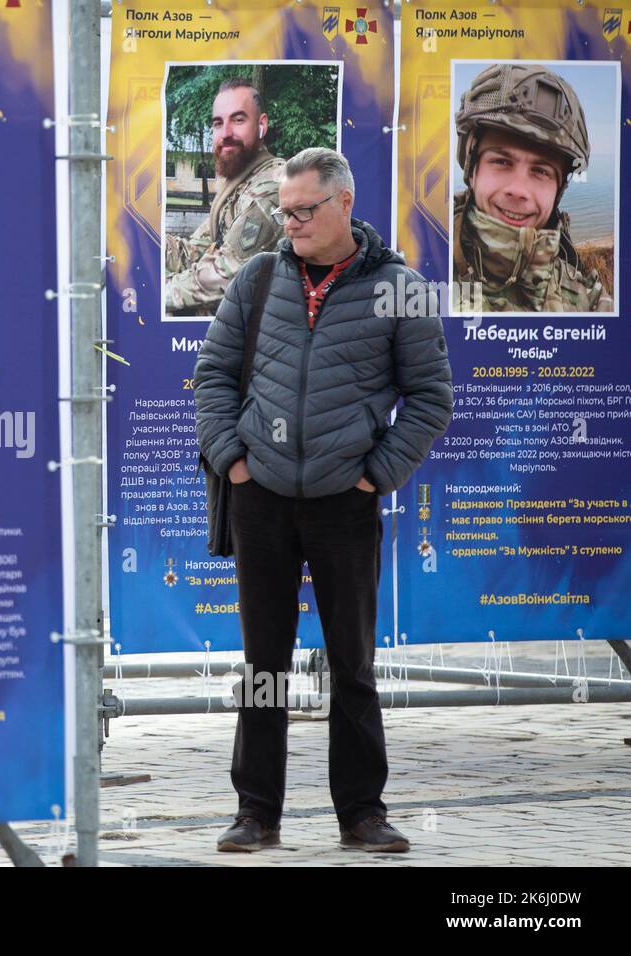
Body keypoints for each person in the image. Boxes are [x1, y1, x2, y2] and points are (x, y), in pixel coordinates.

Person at [193, 148, 453, 853]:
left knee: (353, 663)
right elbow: (212, 374)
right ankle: (256, 813)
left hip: (346, 501)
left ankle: (362, 814)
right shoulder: (257, 277)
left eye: (305, 210)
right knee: (262, 666)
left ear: (345, 204)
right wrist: (234, 461)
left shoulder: (399, 287)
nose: (291, 222)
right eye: (284, 209)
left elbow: (431, 398)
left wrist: (377, 474)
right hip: (263, 499)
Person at [453, 63, 612, 313]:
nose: (519, 190)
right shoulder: (422, 276)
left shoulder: (590, 303)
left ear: (559, 189)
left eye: (541, 171)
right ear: (472, 169)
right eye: (502, 162)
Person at [164, 77, 286, 316]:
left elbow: (227, 272)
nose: (226, 132)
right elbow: (194, 252)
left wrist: (159, 294)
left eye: (238, 120)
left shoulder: (271, 187)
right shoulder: (238, 185)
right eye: (218, 123)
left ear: (262, 125)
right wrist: (144, 245)